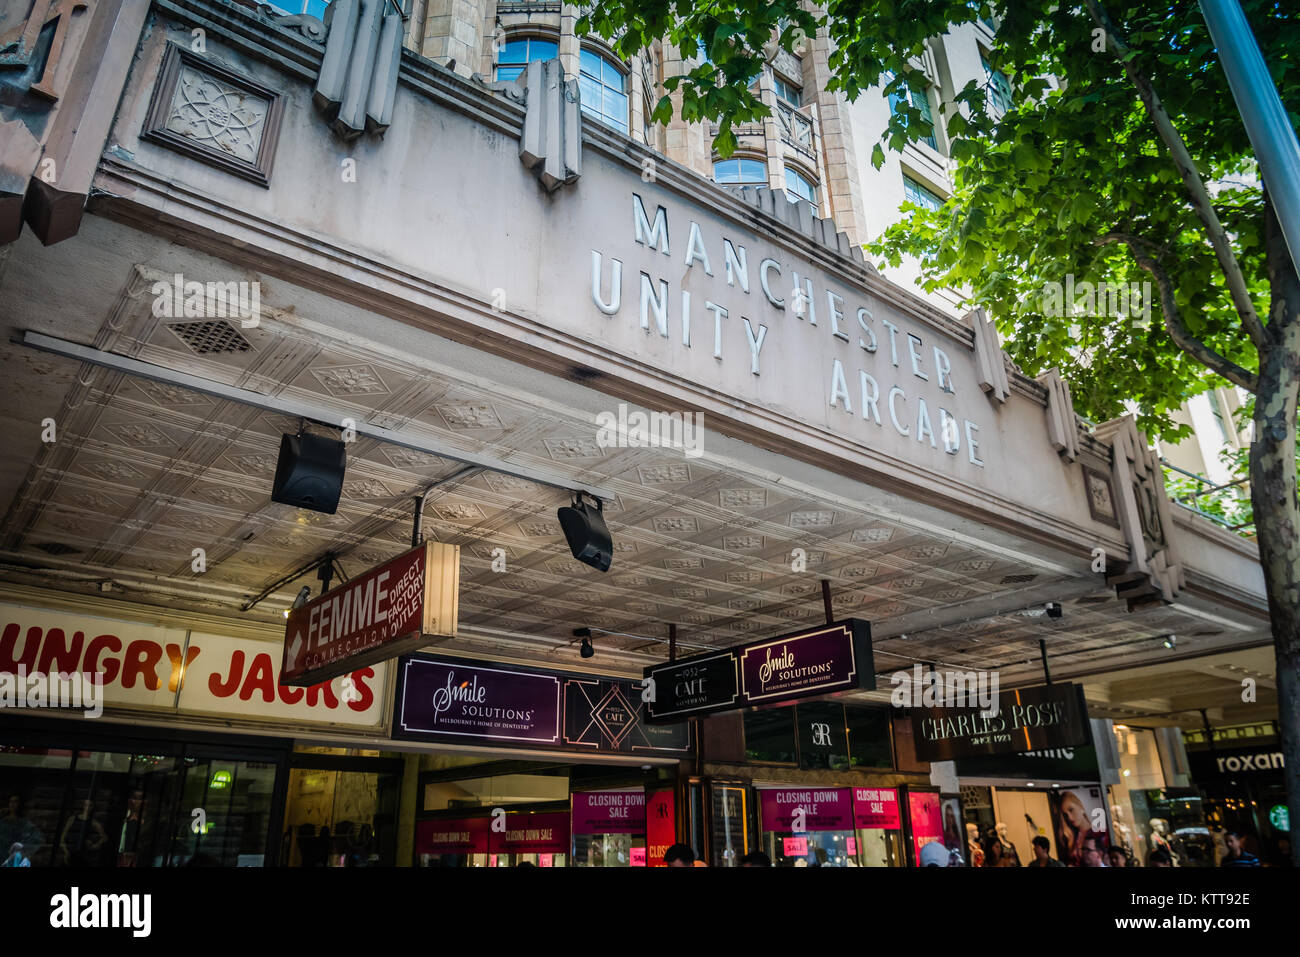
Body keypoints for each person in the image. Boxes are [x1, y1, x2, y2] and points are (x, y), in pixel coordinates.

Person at [59, 799, 108, 867]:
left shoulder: (93, 822)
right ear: (83, 806)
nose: (87, 807)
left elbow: (104, 838)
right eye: (86, 805)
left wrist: (94, 846)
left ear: (92, 807)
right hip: (70, 854)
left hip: (83, 855)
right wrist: (66, 852)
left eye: (90, 805)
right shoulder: (72, 819)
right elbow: (62, 838)